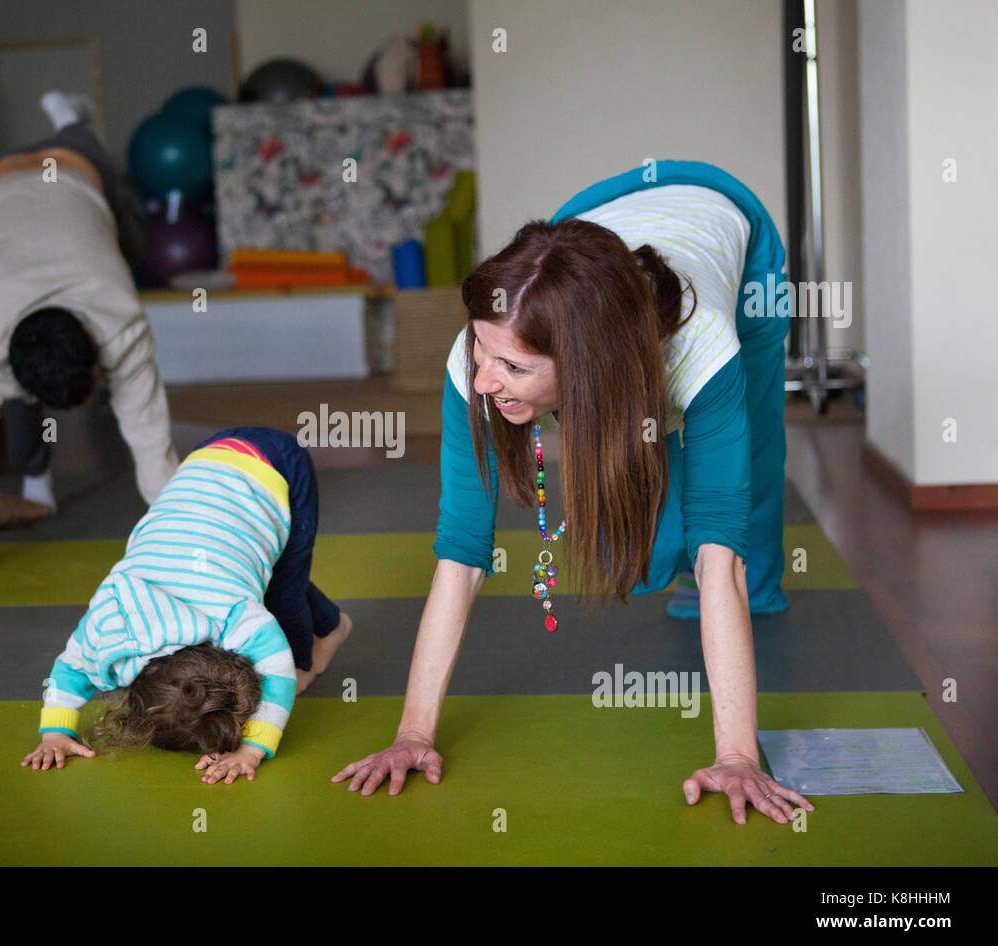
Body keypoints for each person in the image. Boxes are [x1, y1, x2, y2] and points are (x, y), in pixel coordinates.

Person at [333, 160, 816, 826]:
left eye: (511, 368)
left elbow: (719, 557)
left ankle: (766, 589)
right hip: (599, 212)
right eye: (482, 353)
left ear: (588, 366)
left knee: (739, 481)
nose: (483, 380)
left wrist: (737, 755)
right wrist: (412, 734)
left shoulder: (706, 348)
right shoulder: (486, 343)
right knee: (642, 523)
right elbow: (462, 552)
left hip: (735, 224)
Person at [0, 91, 177, 585]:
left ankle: (72, 121)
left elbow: (149, 436)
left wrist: (182, 533)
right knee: (7, 394)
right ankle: (35, 472)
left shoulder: (121, 323)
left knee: (135, 242)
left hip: (75, 170)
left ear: (97, 346)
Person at [21, 427, 353, 783]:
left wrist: (252, 749)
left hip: (276, 465)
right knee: (272, 578)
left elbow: (278, 670)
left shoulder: (231, 612)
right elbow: (69, 667)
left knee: (284, 592)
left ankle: (328, 636)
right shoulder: (110, 621)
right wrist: (54, 732)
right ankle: (332, 621)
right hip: (204, 459)